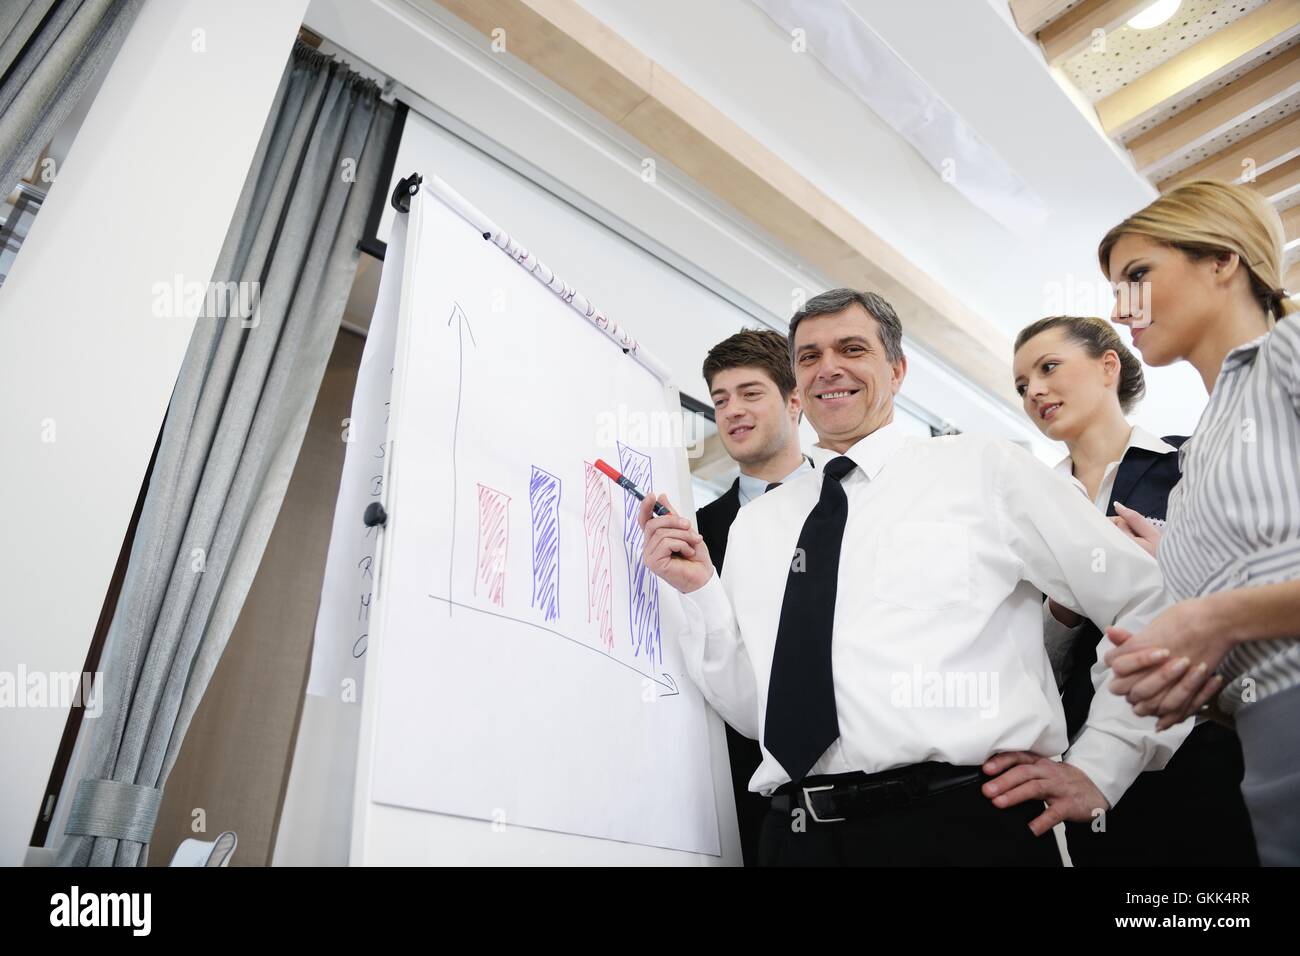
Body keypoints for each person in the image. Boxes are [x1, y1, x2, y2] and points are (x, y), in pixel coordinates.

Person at [638, 287, 1188, 866]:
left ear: (897, 370)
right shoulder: (757, 526)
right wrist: (701, 593)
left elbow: (1150, 602)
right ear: (797, 384)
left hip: (961, 827)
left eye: (852, 348)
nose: (829, 368)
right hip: (798, 838)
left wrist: (1102, 764)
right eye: (809, 356)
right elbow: (756, 711)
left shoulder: (983, 468)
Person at [1094, 180, 1300, 866]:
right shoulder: (1193, 469)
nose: (1122, 308)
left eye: (1139, 276)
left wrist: (1215, 621)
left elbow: (1223, 622)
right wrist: (1182, 681)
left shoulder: (1289, 354)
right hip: (1267, 765)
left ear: (1222, 261)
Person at [1012, 314, 1256, 865]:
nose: (1036, 391)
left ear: (1107, 366)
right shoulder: (1027, 504)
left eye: (1049, 368)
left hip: (1206, 734)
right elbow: (1027, 663)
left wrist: (1173, 561)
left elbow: (1270, 588)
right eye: (1023, 386)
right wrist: (1060, 614)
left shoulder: (1197, 464)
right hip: (1085, 749)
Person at [697, 328, 815, 865]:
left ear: (795, 402)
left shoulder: (854, 505)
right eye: (720, 399)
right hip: (747, 792)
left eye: (750, 393)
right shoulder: (696, 535)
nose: (732, 411)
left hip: (885, 785)